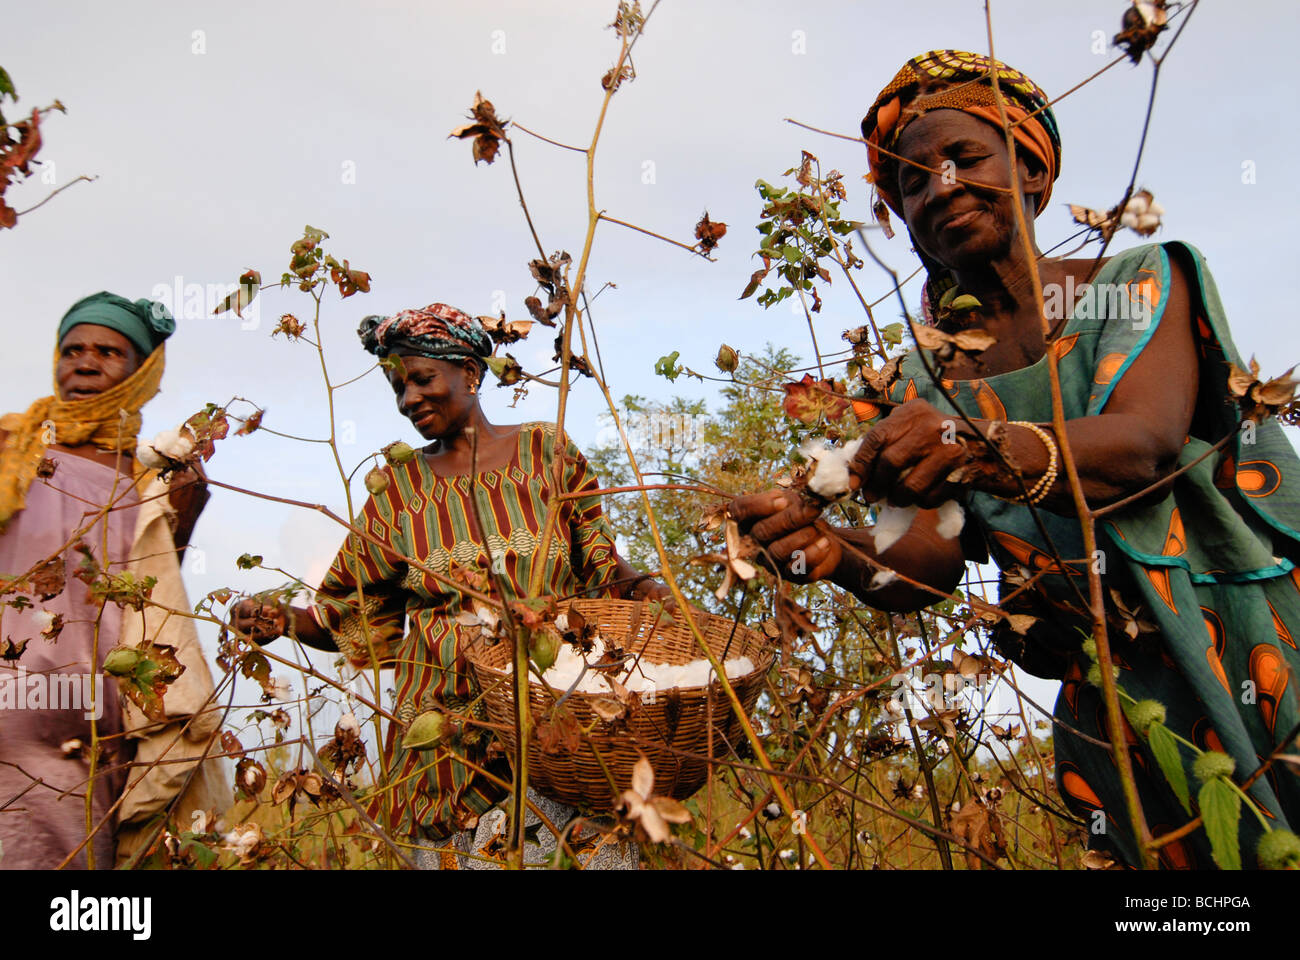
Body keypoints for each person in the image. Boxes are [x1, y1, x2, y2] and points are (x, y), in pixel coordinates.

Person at [730, 50, 1300, 869]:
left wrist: (963, 448)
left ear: (1031, 170)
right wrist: (837, 553)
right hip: (1122, 696)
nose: (943, 187)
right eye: (913, 182)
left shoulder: (1136, 281)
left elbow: (1140, 449)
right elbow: (926, 557)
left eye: (966, 157)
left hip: (1255, 644)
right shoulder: (919, 381)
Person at [234, 302, 670, 869]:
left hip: (556, 718)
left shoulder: (547, 452)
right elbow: (348, 612)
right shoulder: (397, 490)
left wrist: (646, 588)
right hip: (444, 734)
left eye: (421, 378)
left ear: (470, 373)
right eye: (398, 387)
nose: (408, 399)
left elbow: (603, 568)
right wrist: (280, 621)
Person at [0, 292, 225, 869]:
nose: (85, 361)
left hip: (91, 716)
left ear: (142, 372)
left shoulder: (154, 482)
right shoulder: (11, 450)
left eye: (108, 351)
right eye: (72, 349)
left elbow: (150, 601)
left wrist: (182, 521)